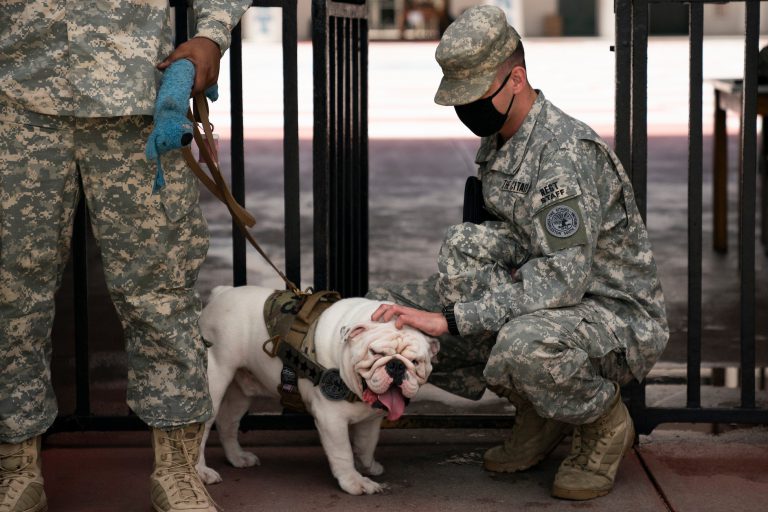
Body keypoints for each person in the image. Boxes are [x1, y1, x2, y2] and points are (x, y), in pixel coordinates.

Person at [368, 5, 668, 501]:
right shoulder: (503, 137)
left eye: (475, 95)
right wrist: (452, 299)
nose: (467, 108)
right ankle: (541, 412)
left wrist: (454, 319)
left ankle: (603, 421)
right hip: (541, 296)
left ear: (516, 79)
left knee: (520, 345)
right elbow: (512, 243)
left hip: (610, 315)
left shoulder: (563, 154)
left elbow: (563, 278)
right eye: (459, 97)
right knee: (385, 310)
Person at [0, 2, 251, 511]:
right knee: (10, 295)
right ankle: (15, 467)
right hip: (17, 103)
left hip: (136, 102)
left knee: (160, 292)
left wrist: (211, 33)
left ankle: (177, 470)